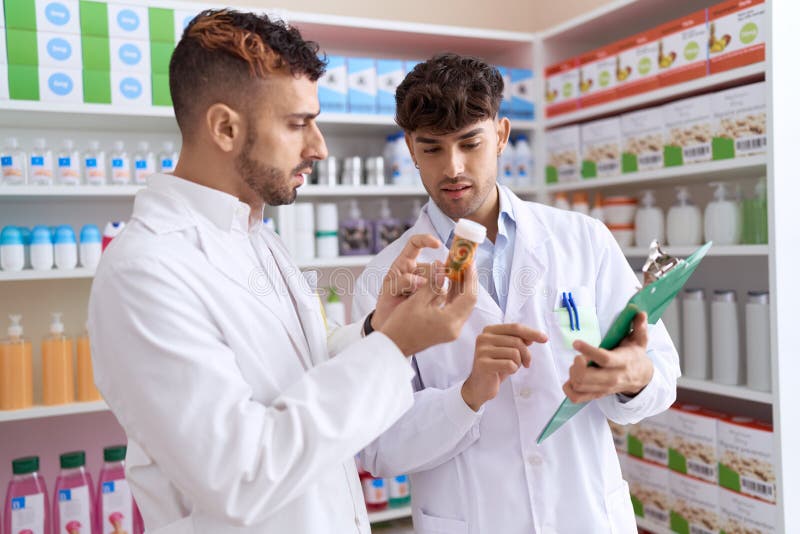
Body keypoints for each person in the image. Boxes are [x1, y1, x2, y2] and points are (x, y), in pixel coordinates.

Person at [87, 11, 477, 534]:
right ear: (225, 127)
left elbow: (299, 374)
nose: (318, 147)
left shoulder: (257, 235)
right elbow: (241, 476)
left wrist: (375, 330)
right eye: (297, 124)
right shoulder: (145, 271)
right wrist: (395, 348)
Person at [353, 53, 680, 534]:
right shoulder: (385, 277)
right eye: (432, 149)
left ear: (502, 135)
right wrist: (467, 395)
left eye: (470, 143)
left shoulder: (582, 239)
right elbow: (378, 448)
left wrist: (634, 375)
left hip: (583, 514)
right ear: (409, 147)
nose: (454, 167)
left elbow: (661, 372)